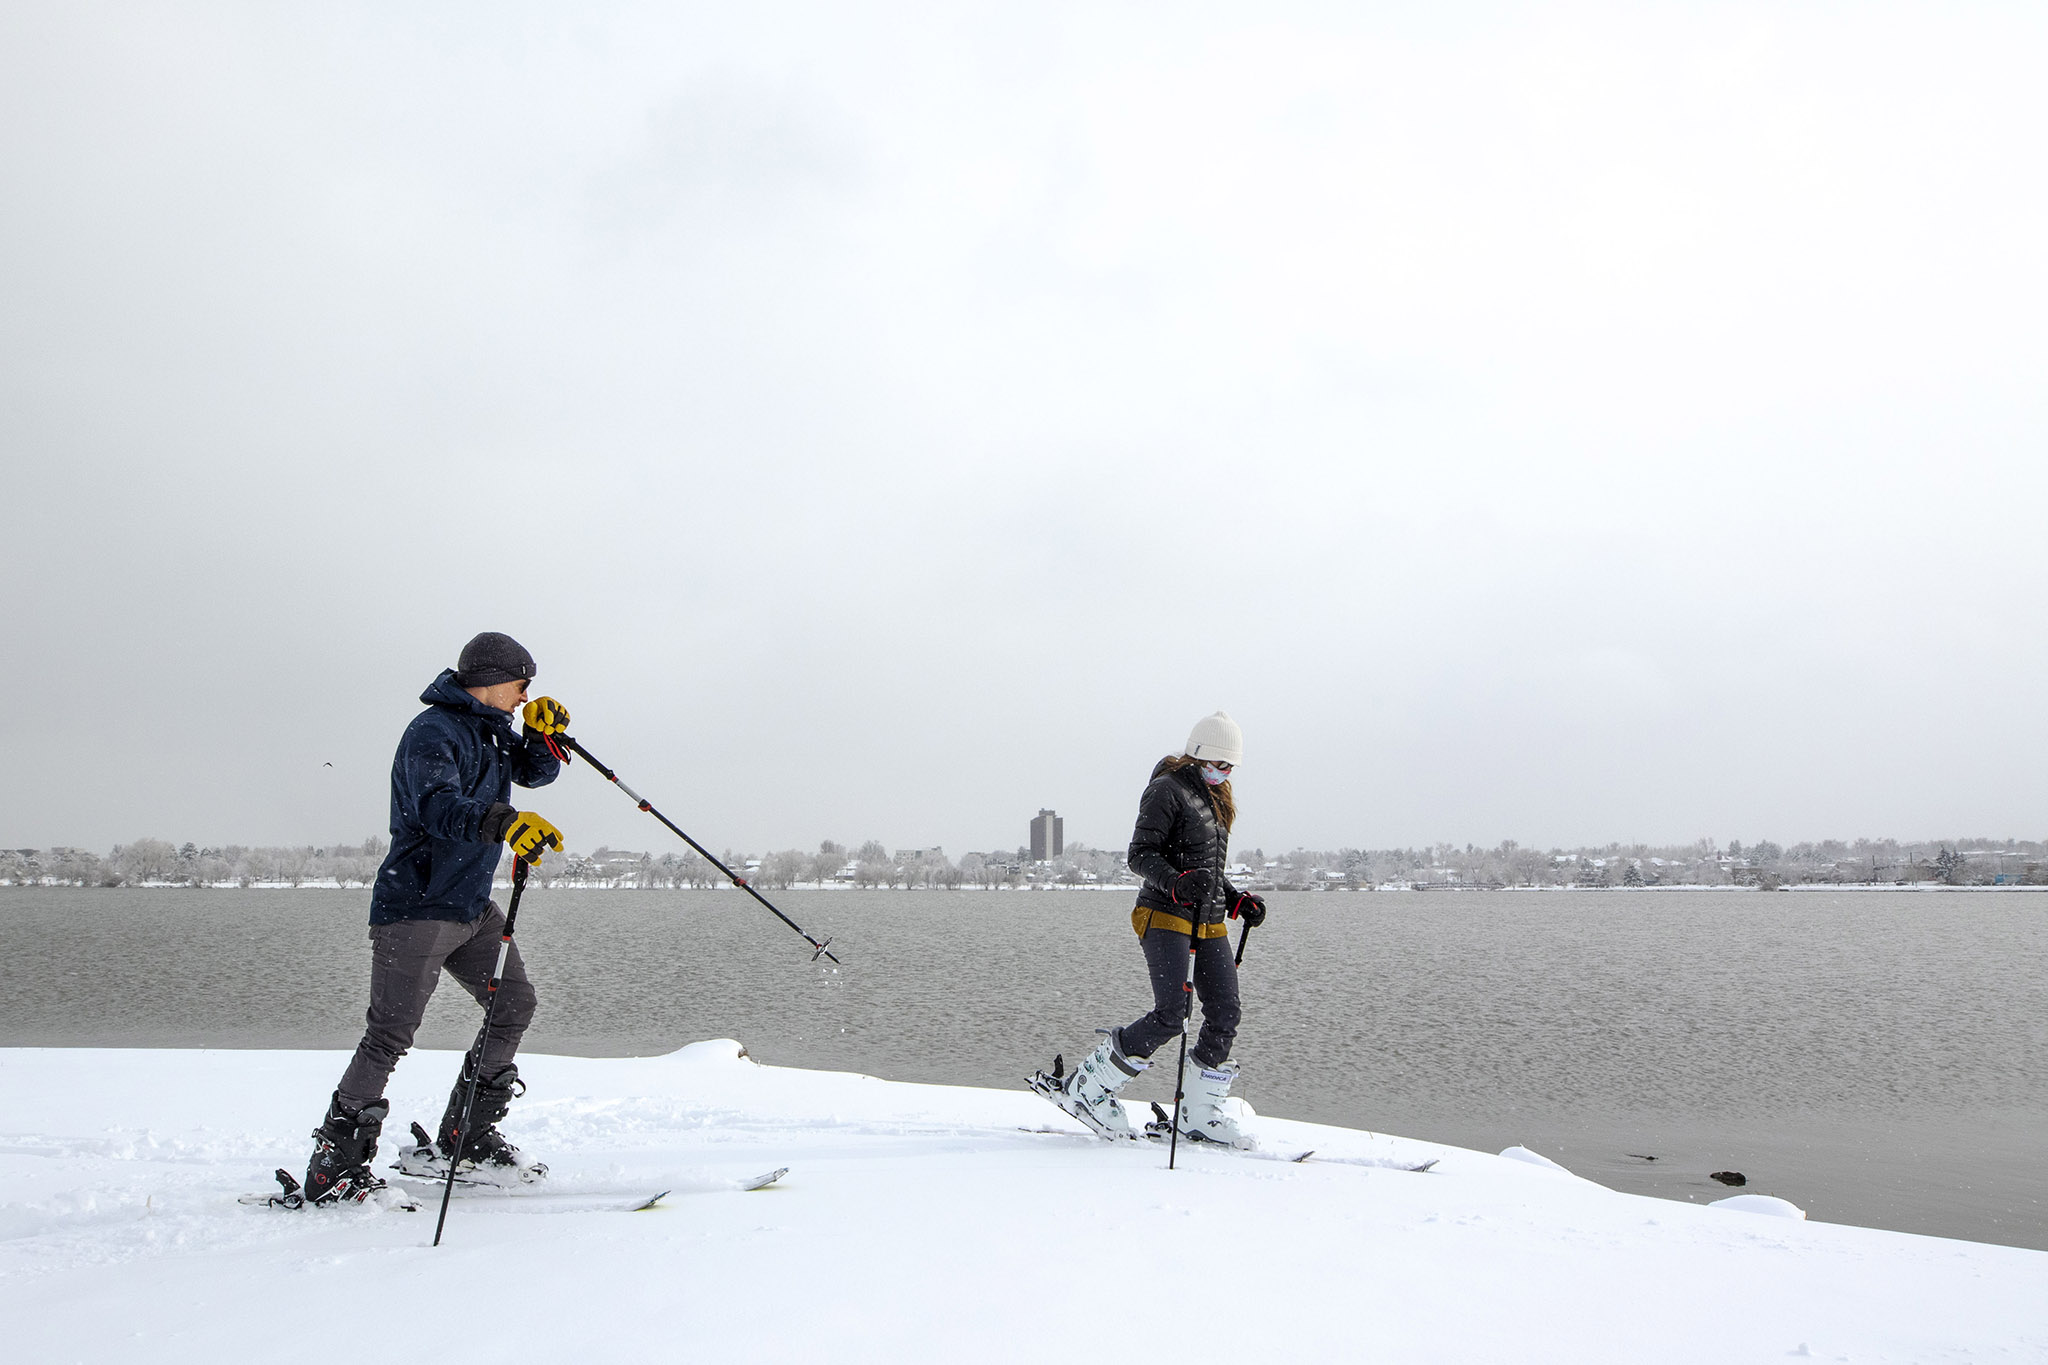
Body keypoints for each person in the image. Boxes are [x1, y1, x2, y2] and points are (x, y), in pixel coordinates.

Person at [300, 631, 570, 1204]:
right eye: (523, 684)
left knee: (515, 1002)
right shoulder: (433, 732)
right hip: (418, 907)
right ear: (493, 678)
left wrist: (544, 739)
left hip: (473, 908)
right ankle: (335, 1164)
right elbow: (437, 807)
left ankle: (464, 1140)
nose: (526, 696)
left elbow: (534, 774)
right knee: (390, 1036)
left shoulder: (491, 732)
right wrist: (503, 822)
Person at [1034, 712, 1268, 1148]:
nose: (1225, 772)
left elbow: (1208, 870)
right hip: (1163, 914)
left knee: (1225, 1011)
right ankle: (1090, 1087)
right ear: (1197, 755)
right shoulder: (1166, 790)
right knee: (1173, 1014)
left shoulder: (1217, 799)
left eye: (1231, 766)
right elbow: (1140, 855)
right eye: (1219, 763)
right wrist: (1177, 883)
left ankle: (1199, 1114)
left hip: (1207, 919)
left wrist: (1237, 901)